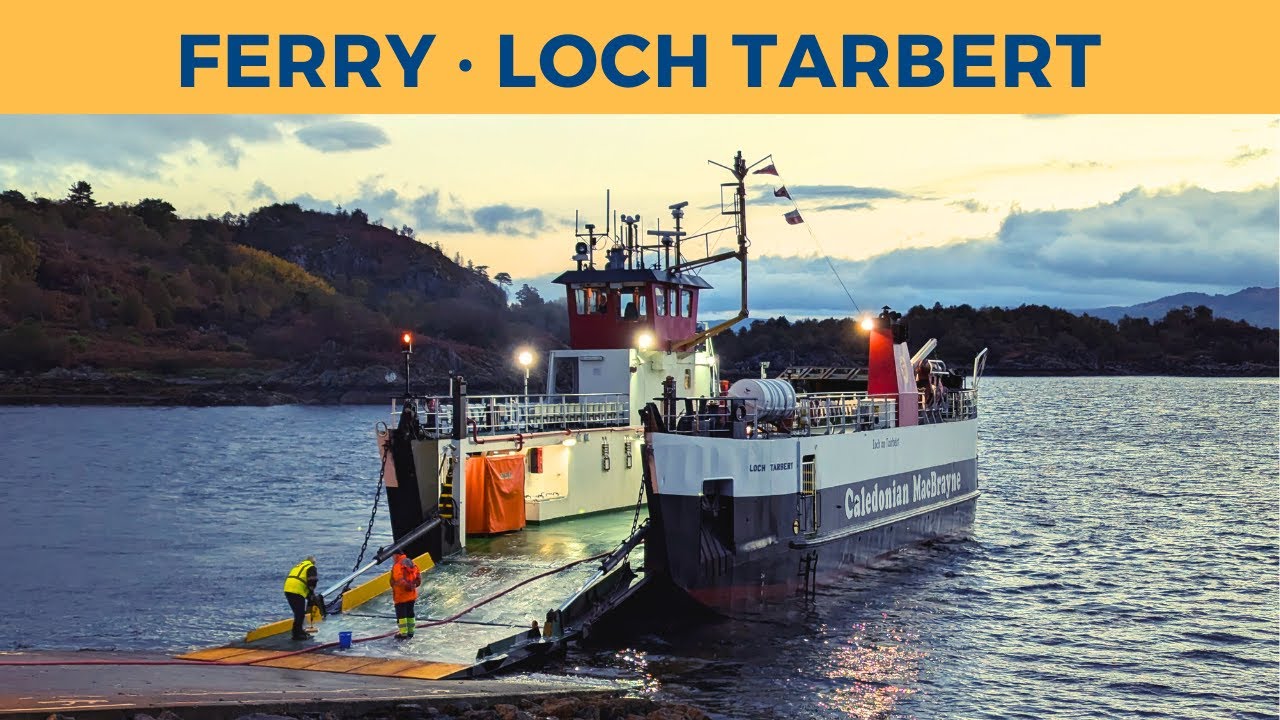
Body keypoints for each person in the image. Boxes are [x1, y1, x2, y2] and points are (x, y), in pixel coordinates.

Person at [284, 556, 324, 641]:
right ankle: (297, 634)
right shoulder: (311, 567)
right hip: (296, 590)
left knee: (298, 613)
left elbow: (301, 579)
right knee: (300, 613)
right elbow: (312, 580)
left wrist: (309, 596)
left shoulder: (300, 566)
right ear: (313, 562)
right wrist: (312, 593)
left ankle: (299, 631)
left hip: (288, 588)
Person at [391, 552, 422, 640]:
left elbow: (398, 579)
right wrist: (413, 585)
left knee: (401, 616)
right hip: (411, 595)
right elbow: (418, 576)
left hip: (401, 595)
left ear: (396, 555)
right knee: (410, 613)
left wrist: (406, 586)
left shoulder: (397, 565)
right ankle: (411, 632)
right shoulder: (411, 562)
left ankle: (403, 633)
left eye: (393, 556)